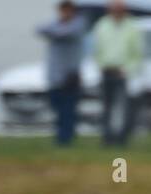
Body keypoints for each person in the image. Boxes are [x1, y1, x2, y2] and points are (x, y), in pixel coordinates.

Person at [92, 0, 143, 146]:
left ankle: (122, 138)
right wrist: (100, 65)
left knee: (124, 107)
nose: (116, 12)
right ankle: (107, 137)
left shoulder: (132, 27)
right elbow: (97, 49)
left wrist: (127, 69)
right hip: (106, 70)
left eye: (119, 9)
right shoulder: (102, 25)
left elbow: (137, 53)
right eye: (113, 9)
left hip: (123, 73)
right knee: (106, 106)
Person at [37, 0, 85, 146]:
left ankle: (65, 139)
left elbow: (66, 33)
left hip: (70, 76)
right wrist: (56, 30)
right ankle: (64, 134)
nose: (65, 14)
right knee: (56, 106)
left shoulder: (78, 24)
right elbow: (39, 29)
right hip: (54, 76)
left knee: (68, 108)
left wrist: (55, 31)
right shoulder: (56, 24)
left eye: (68, 11)